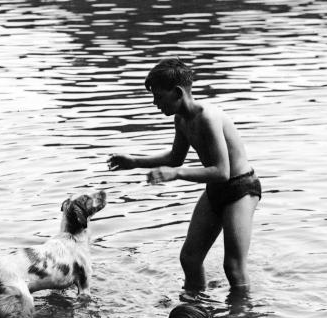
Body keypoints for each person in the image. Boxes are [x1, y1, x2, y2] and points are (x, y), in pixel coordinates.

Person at [108, 57, 261, 304]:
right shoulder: (181, 119)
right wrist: (134, 161)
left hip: (240, 187)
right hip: (216, 190)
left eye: (158, 96)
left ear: (178, 92)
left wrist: (176, 175)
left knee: (233, 266)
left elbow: (222, 171)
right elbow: (176, 158)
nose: (155, 103)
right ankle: (195, 310)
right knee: (189, 258)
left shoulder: (208, 117)